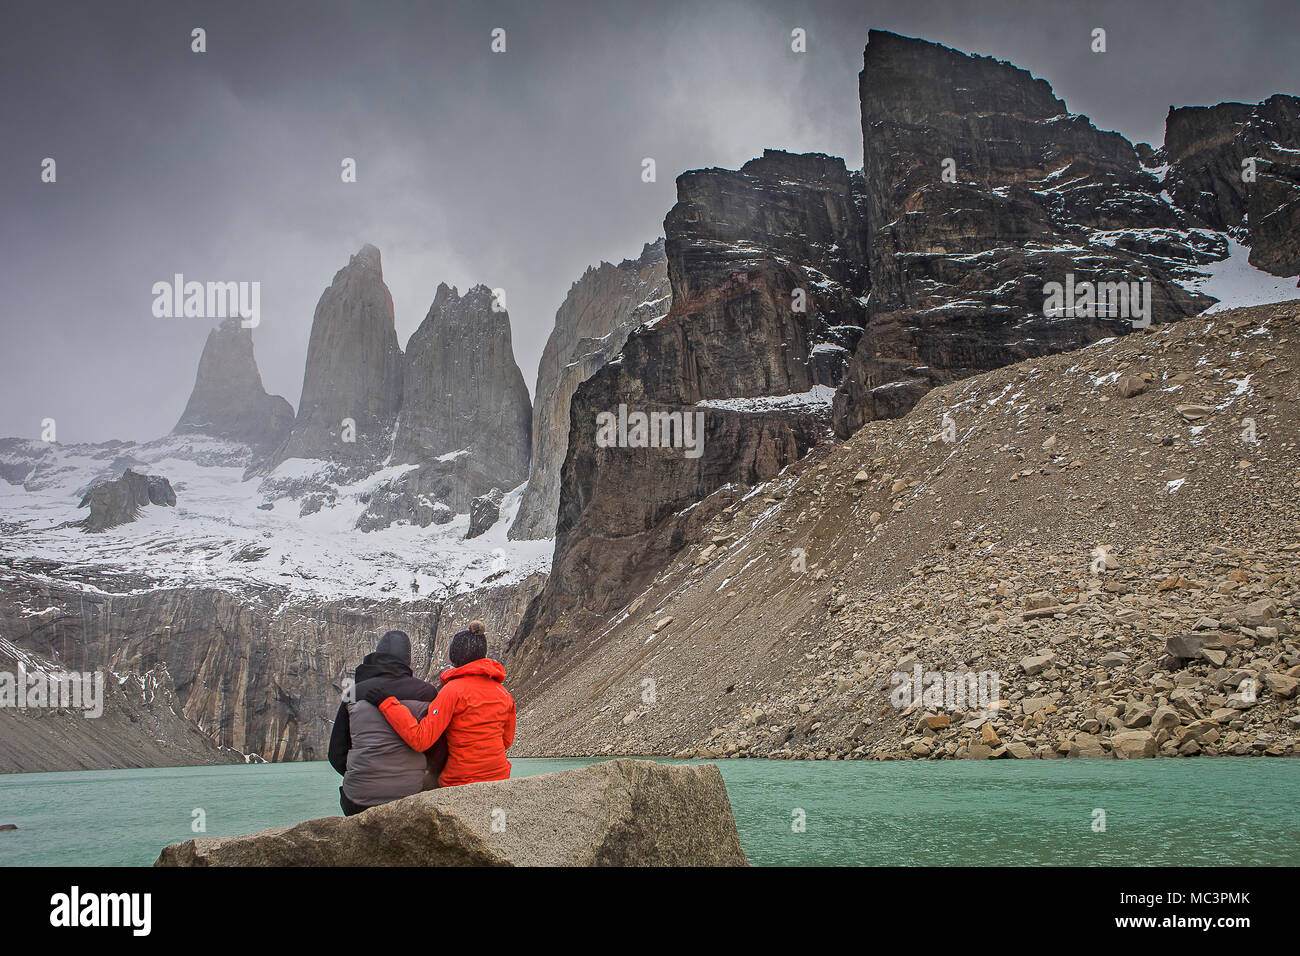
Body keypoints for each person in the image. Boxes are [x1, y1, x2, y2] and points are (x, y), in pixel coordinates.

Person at [364, 620, 515, 787]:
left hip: (460, 782)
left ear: (454, 657)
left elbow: (421, 739)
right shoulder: (504, 694)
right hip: (500, 779)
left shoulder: (452, 692)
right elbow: (506, 741)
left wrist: (387, 703)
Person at [328, 629, 448, 816]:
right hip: (412, 795)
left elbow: (336, 753)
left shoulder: (352, 693)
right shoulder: (427, 693)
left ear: (377, 656)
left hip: (359, 800)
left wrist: (365, 776)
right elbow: (439, 751)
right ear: (407, 661)